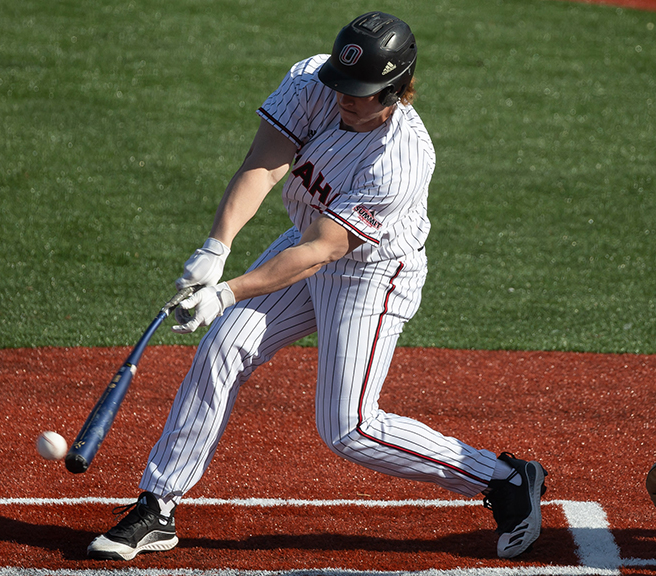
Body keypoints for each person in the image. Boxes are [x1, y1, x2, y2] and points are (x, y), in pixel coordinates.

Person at [86, 11, 547, 561]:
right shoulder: (312, 81)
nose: (345, 98)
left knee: (350, 428)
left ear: (395, 91)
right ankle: (157, 505)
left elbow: (321, 252)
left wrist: (227, 292)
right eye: (341, 83)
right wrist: (217, 248)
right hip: (306, 241)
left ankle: (502, 478)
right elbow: (264, 164)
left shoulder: (398, 159)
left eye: (361, 92)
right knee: (222, 349)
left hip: (370, 273)